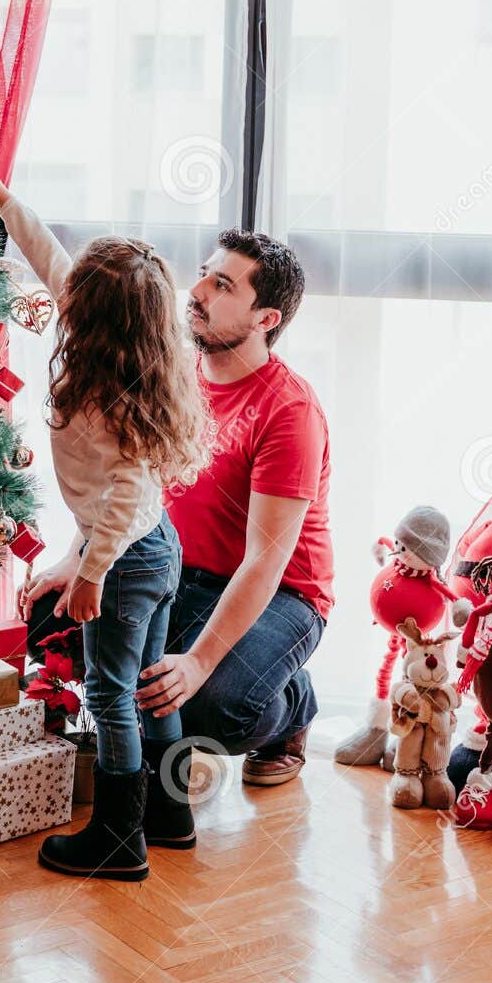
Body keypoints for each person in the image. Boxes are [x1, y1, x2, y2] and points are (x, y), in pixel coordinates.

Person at [0, 159, 207, 882]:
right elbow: (51, 258)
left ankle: (117, 840)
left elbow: (126, 497)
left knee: (110, 695)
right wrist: (4, 200)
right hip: (154, 548)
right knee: (149, 683)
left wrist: (91, 572)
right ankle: (170, 816)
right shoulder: (127, 349)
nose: (64, 297)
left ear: (90, 315)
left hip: (125, 558)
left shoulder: (113, 392)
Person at [137, 229, 333, 844]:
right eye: (203, 274)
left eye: (222, 285)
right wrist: (76, 559)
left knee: (211, 707)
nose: (195, 292)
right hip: (183, 572)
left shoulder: (290, 411)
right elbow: (129, 483)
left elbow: (265, 562)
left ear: (265, 317)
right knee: (65, 628)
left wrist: (199, 661)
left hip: (281, 594)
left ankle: (291, 708)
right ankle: (245, 667)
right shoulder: (176, 372)